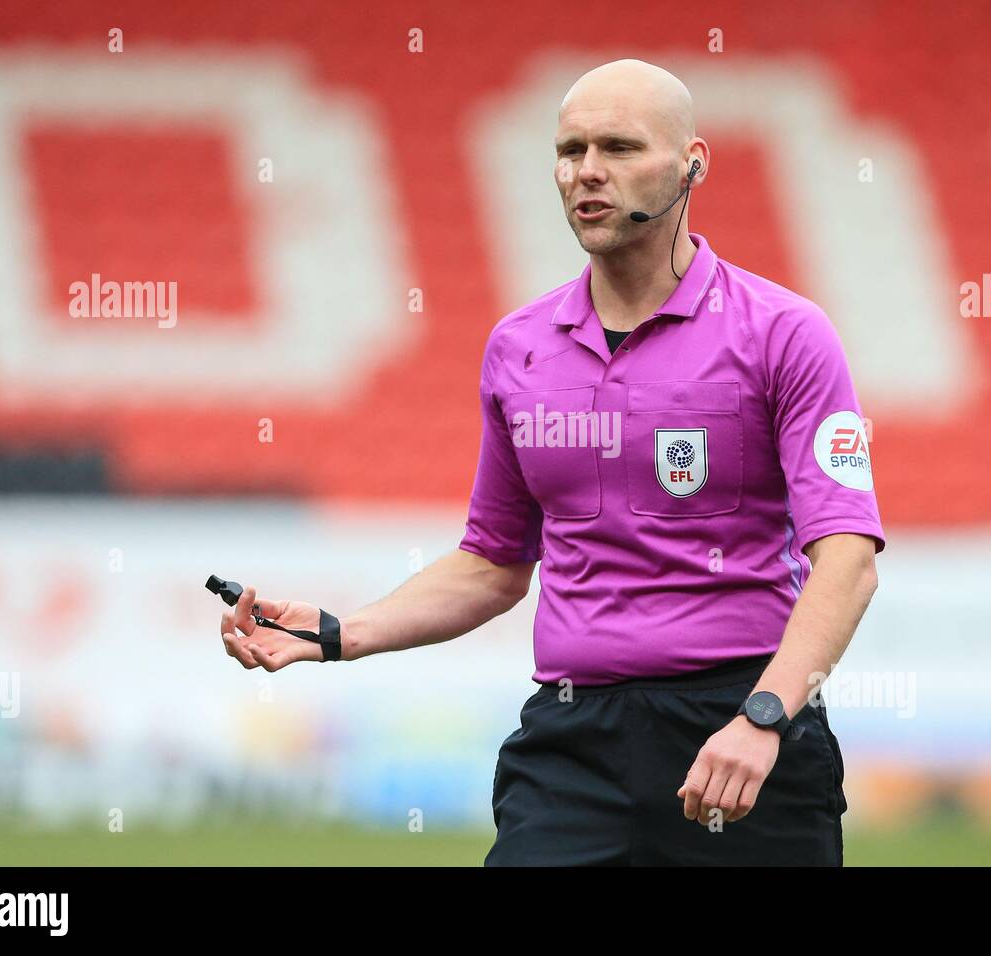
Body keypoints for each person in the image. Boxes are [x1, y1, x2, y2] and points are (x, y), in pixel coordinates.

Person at [219, 58, 884, 866]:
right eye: (570, 151)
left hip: (741, 731)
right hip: (574, 747)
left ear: (692, 163)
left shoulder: (784, 333)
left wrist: (765, 717)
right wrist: (338, 633)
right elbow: (493, 563)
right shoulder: (519, 348)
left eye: (619, 147)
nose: (587, 172)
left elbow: (846, 559)